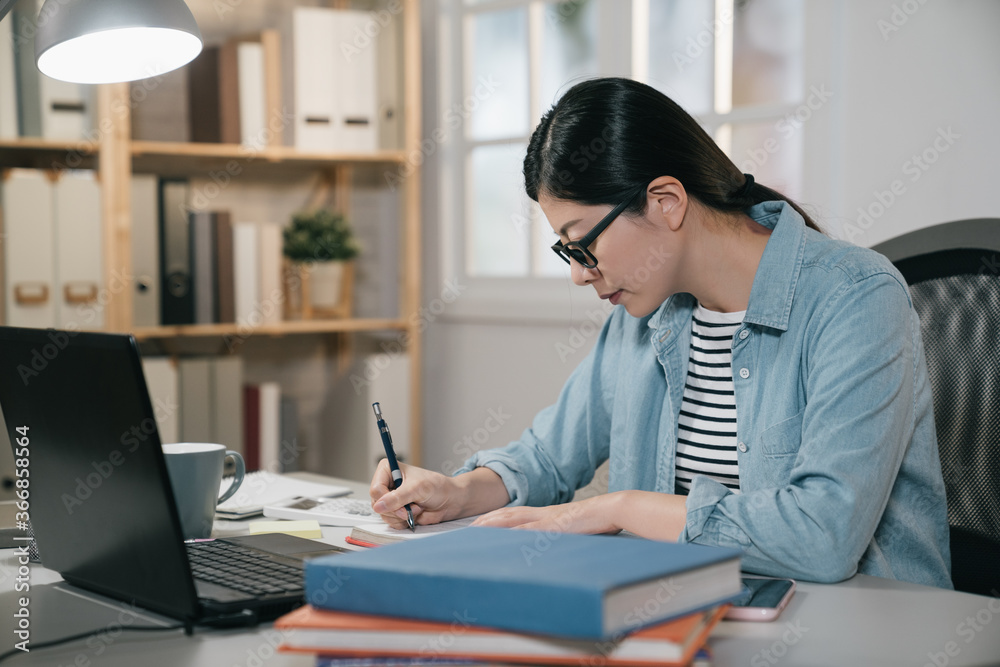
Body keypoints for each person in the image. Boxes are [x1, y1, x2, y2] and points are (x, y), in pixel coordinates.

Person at [370, 77, 952, 588]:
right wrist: (460, 491)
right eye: (565, 250)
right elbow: (547, 457)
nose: (578, 273)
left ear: (666, 201)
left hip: (856, 627)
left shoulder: (856, 297)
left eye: (584, 244)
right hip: (687, 607)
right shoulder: (645, 314)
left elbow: (821, 536)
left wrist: (619, 509)